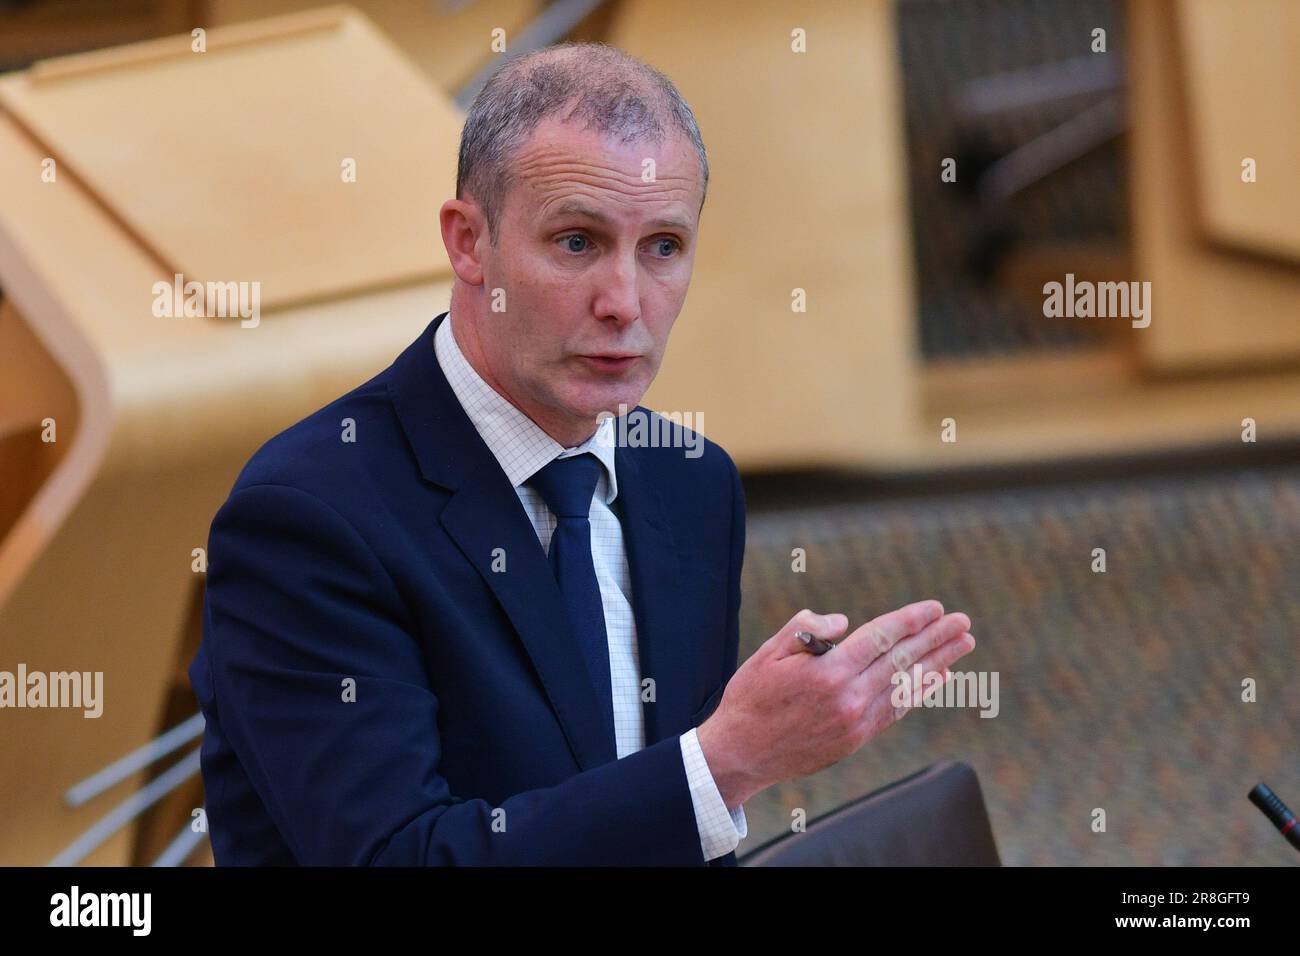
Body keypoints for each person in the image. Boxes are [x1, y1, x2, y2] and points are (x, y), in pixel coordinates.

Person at [188, 40, 976, 866]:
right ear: (468, 242)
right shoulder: (309, 517)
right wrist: (729, 760)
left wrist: (720, 765)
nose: (624, 304)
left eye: (663, 247)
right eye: (576, 242)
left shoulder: (690, 482)